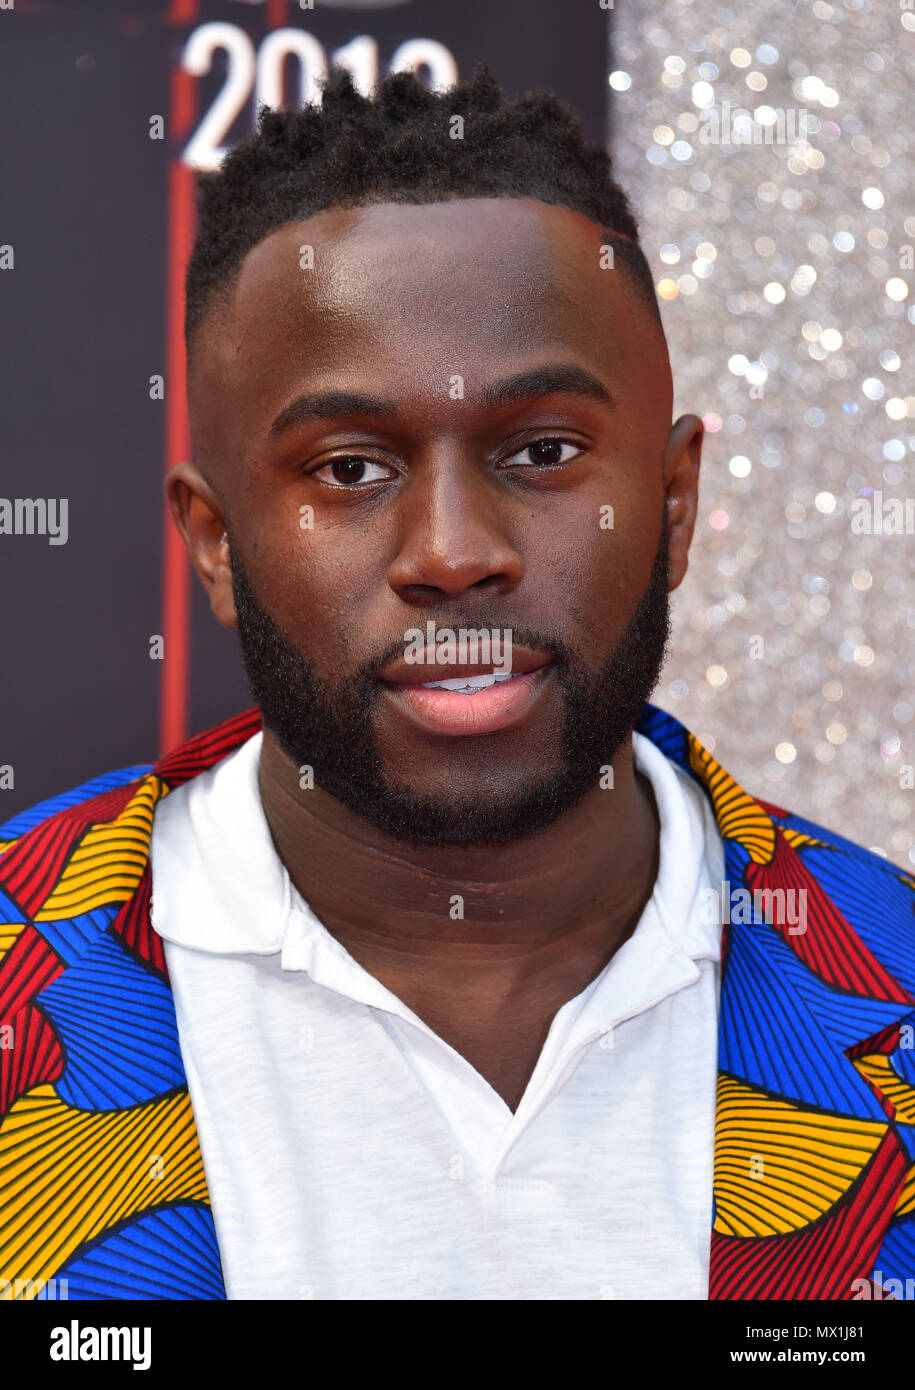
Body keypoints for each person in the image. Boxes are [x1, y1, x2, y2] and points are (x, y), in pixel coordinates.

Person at [2, 65, 913, 1304]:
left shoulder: (894, 986)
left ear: (675, 501)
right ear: (216, 543)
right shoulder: (21, 984)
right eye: (351, 466)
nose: (451, 553)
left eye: (541, 451)